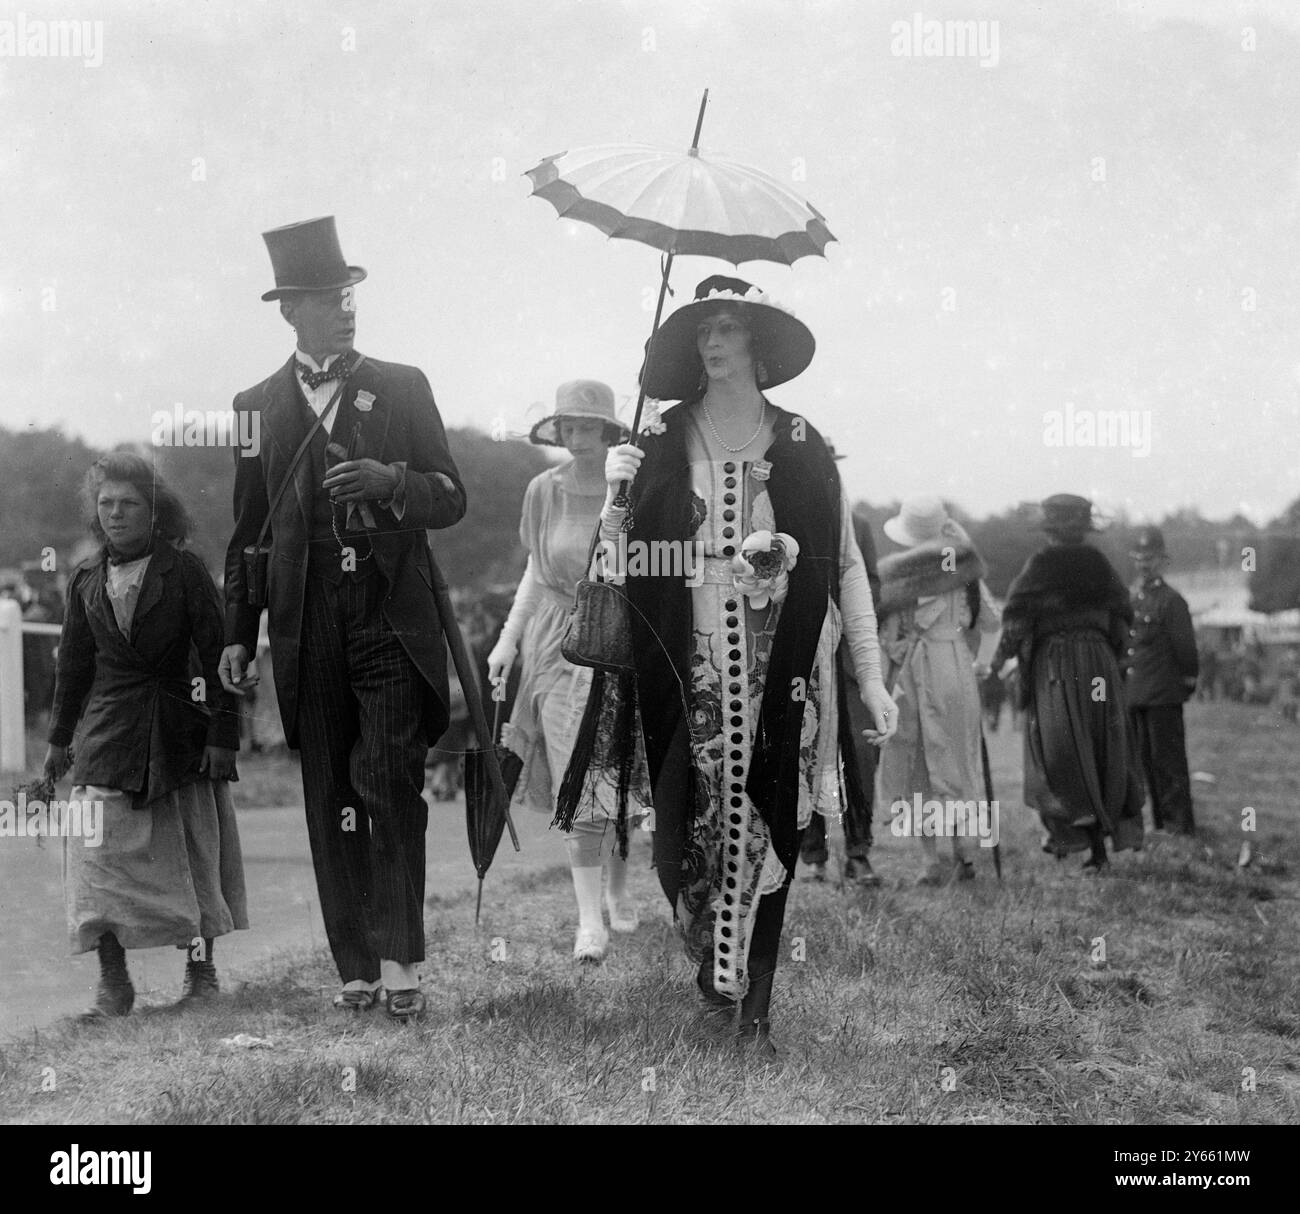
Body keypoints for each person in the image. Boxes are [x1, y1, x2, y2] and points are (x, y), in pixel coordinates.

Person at [567, 275, 897, 1051]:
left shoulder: (806, 444)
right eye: (702, 332)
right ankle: (711, 965)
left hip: (783, 667)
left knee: (766, 820)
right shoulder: (657, 440)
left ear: (757, 340)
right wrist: (618, 496)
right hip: (681, 666)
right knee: (680, 830)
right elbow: (612, 568)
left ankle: (753, 1004)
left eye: (727, 328)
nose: (713, 344)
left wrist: (871, 675)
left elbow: (842, 565)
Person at [219, 216, 466, 1020]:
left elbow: (452, 496)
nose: (346, 308)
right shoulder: (253, 406)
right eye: (328, 297)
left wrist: (394, 480)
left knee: (389, 780)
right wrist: (235, 633)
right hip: (305, 624)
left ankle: (399, 966)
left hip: (389, 619)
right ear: (291, 310)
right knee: (331, 791)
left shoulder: (403, 385)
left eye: (349, 293)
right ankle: (353, 967)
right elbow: (248, 534)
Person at [44, 453, 247, 1020]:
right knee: (96, 855)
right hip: (109, 731)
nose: (115, 514)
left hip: (181, 728)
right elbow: (75, 668)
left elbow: (217, 657)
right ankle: (114, 984)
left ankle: (201, 977)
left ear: (153, 511)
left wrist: (222, 736)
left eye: (128, 504)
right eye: (106, 504)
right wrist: (59, 742)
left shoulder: (184, 573)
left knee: (189, 855)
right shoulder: (86, 578)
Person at [488, 381, 652, 962]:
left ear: (609, 430)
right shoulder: (543, 489)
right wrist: (507, 643)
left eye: (586, 424)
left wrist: (615, 492)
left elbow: (626, 562)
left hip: (613, 637)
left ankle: (616, 885)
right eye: (566, 425)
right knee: (576, 780)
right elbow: (536, 570)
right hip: (554, 644)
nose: (574, 435)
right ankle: (589, 921)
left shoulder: (632, 482)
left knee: (615, 774)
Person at [993, 494, 1144, 873]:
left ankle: (1076, 836)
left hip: (1057, 668)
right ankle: (1097, 845)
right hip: (1100, 665)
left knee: (1061, 750)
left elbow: (1016, 623)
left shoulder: (1040, 566)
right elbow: (1122, 622)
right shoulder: (1100, 564)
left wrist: (995, 661)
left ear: (1049, 530)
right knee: (1102, 746)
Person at [876, 496, 1001, 884]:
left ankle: (933, 861)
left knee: (917, 764)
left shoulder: (901, 574)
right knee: (957, 759)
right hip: (954, 667)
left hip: (915, 669)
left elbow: (887, 635)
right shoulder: (965, 568)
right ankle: (964, 856)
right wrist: (980, 664)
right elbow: (993, 621)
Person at [799, 498, 885, 887]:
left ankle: (858, 852)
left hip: (848, 659)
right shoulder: (782, 510)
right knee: (804, 751)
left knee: (861, 754)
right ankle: (813, 855)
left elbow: (872, 584)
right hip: (801, 656)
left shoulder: (857, 524)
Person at [1121, 526, 1199, 835]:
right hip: (1137, 694)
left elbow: (1186, 649)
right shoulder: (1132, 599)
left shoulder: (1172, 601)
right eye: (1139, 559)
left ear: (1162, 561)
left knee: (1168, 762)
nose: (1144, 564)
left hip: (1164, 694)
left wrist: (1188, 681)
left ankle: (1179, 824)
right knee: (1146, 764)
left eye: (1150, 558)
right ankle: (1159, 822)